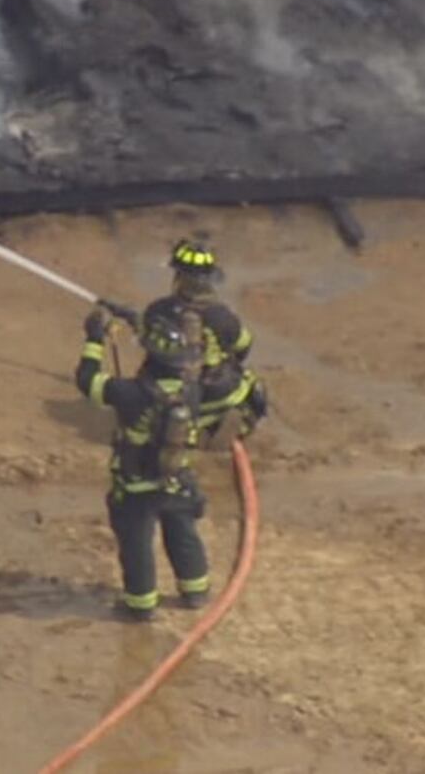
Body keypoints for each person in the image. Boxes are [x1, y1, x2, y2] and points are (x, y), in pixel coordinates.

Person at [77, 304, 211, 621]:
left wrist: (94, 339)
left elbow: (88, 381)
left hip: (136, 488)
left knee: (137, 546)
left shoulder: (129, 393)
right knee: (183, 534)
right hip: (177, 481)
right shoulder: (191, 392)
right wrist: (136, 319)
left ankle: (140, 605)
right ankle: (196, 591)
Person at [137, 239, 269, 444]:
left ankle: (170, 425)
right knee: (254, 388)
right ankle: (232, 427)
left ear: (178, 276)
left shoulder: (156, 310)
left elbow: (145, 341)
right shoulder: (222, 317)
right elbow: (243, 347)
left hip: (159, 393)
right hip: (211, 393)